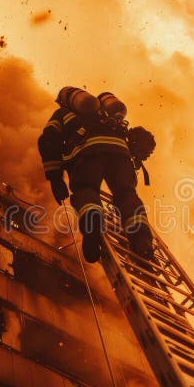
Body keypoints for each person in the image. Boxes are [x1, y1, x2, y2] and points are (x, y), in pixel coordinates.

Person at [38, 87, 155, 263]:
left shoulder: (62, 113)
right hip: (120, 154)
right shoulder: (107, 115)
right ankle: (142, 240)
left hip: (88, 153)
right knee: (126, 195)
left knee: (86, 190)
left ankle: (92, 229)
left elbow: (48, 140)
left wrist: (55, 177)